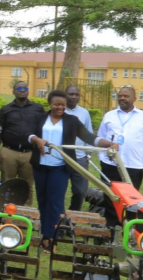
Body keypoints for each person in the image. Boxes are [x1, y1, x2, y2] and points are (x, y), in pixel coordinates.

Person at [28, 89, 116, 251]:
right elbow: (29, 135)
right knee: (43, 200)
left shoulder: (72, 121)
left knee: (55, 202)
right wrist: (37, 140)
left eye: (63, 105)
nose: (60, 108)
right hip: (40, 166)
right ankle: (45, 232)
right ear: (50, 104)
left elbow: (90, 138)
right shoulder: (40, 118)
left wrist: (108, 144)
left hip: (60, 167)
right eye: (56, 104)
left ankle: (50, 238)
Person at [0, 81, 46, 205]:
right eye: (19, 88)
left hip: (29, 153)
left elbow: (43, 130)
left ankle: (25, 215)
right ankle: (4, 213)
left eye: (24, 88)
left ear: (28, 91)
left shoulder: (38, 109)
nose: (22, 90)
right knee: (6, 184)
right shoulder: (5, 110)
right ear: (13, 92)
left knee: (27, 186)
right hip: (9, 152)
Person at [96, 84, 143, 190]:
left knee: (130, 202)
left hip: (133, 166)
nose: (122, 98)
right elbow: (100, 138)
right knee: (109, 200)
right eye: (120, 96)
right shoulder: (109, 115)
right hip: (110, 165)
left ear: (134, 99)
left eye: (126, 96)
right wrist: (102, 158)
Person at [64, 84, 94, 211]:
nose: (74, 97)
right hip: (62, 157)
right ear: (65, 95)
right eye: (71, 94)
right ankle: (59, 217)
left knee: (80, 191)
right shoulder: (59, 110)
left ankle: (73, 215)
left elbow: (88, 134)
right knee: (59, 190)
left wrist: (88, 153)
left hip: (80, 158)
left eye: (76, 94)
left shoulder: (84, 113)